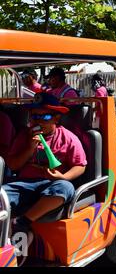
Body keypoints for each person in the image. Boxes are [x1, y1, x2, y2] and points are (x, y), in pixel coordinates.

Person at [3, 93, 87, 244]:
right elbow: (13, 165)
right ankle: (7, 240)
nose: (39, 121)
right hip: (24, 184)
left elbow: (80, 166)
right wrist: (29, 148)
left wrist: (64, 177)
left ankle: (22, 222)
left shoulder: (68, 137)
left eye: (46, 117)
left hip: (52, 184)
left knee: (65, 188)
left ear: (56, 118)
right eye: (35, 117)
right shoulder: (24, 136)